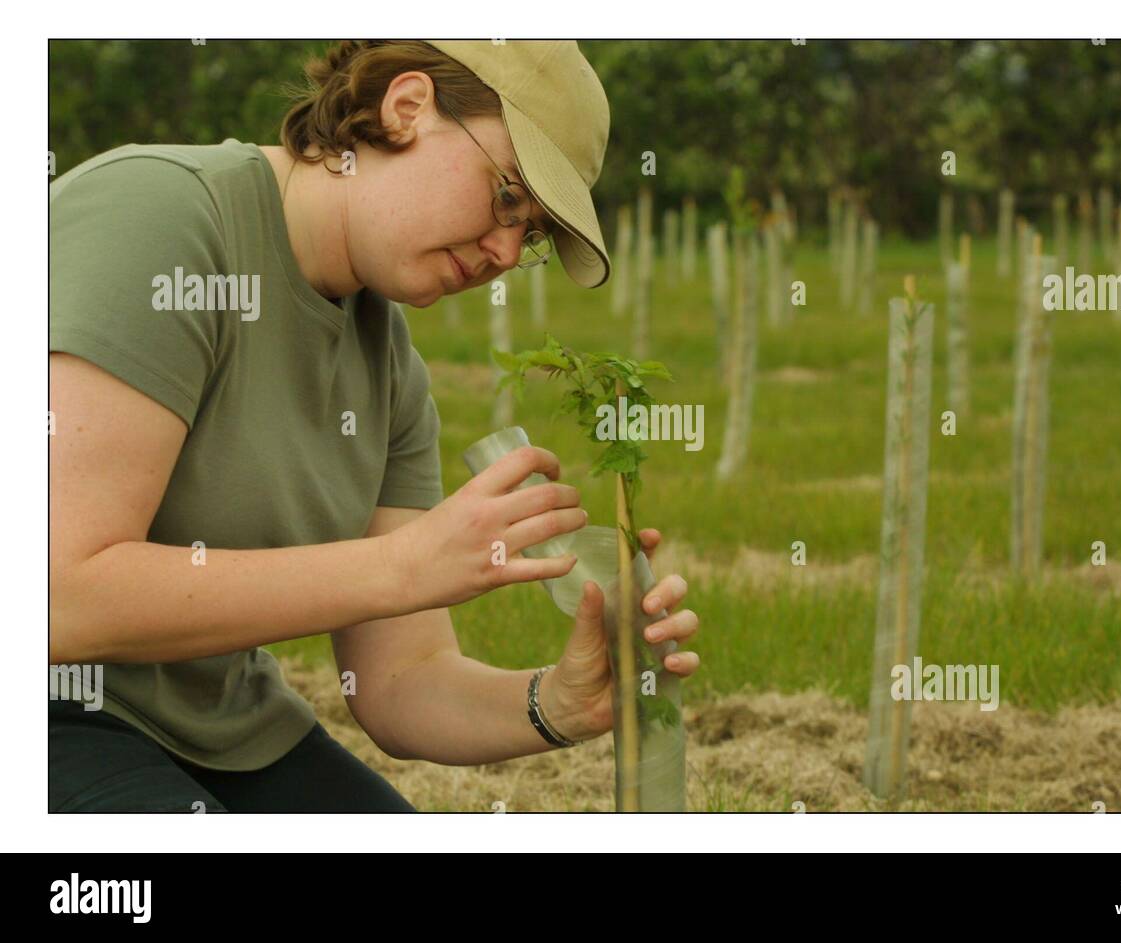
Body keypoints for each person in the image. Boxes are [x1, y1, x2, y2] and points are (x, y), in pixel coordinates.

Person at [49, 39, 701, 813]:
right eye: (505, 196)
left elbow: (402, 679)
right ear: (407, 107)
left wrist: (557, 702)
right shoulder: (163, 220)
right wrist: (402, 565)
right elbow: (58, 594)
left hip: (224, 732)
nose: (501, 250)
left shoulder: (388, 364)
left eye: (527, 234)